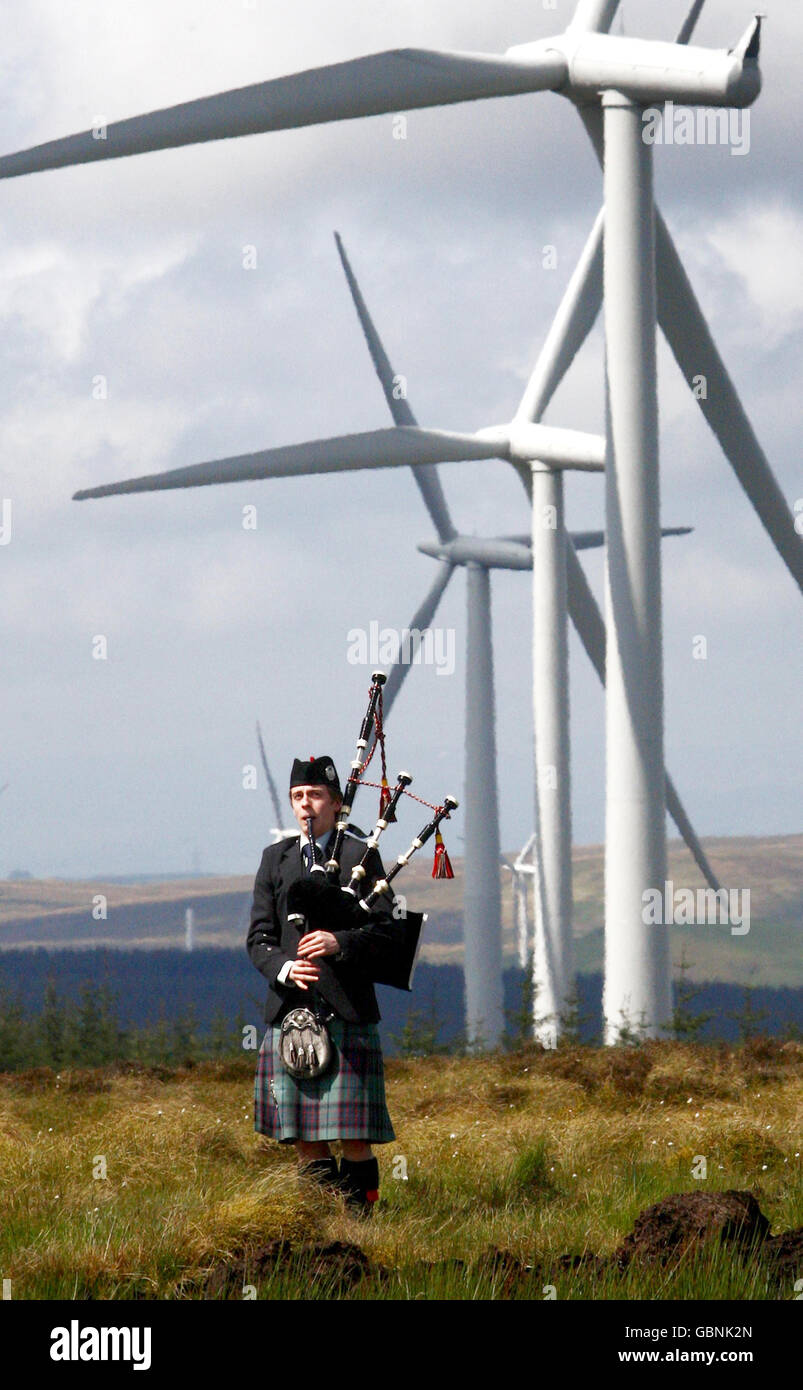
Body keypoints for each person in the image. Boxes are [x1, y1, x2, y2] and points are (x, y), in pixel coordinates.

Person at [247, 754, 396, 1215]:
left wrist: (340, 941)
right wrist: (284, 968)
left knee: (353, 1135)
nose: (305, 805)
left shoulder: (362, 856)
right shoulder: (276, 859)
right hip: (290, 1012)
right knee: (304, 1139)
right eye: (297, 797)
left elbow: (387, 935)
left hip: (346, 1010)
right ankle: (317, 1226)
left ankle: (360, 1223)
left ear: (335, 803)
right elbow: (258, 937)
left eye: (314, 796)